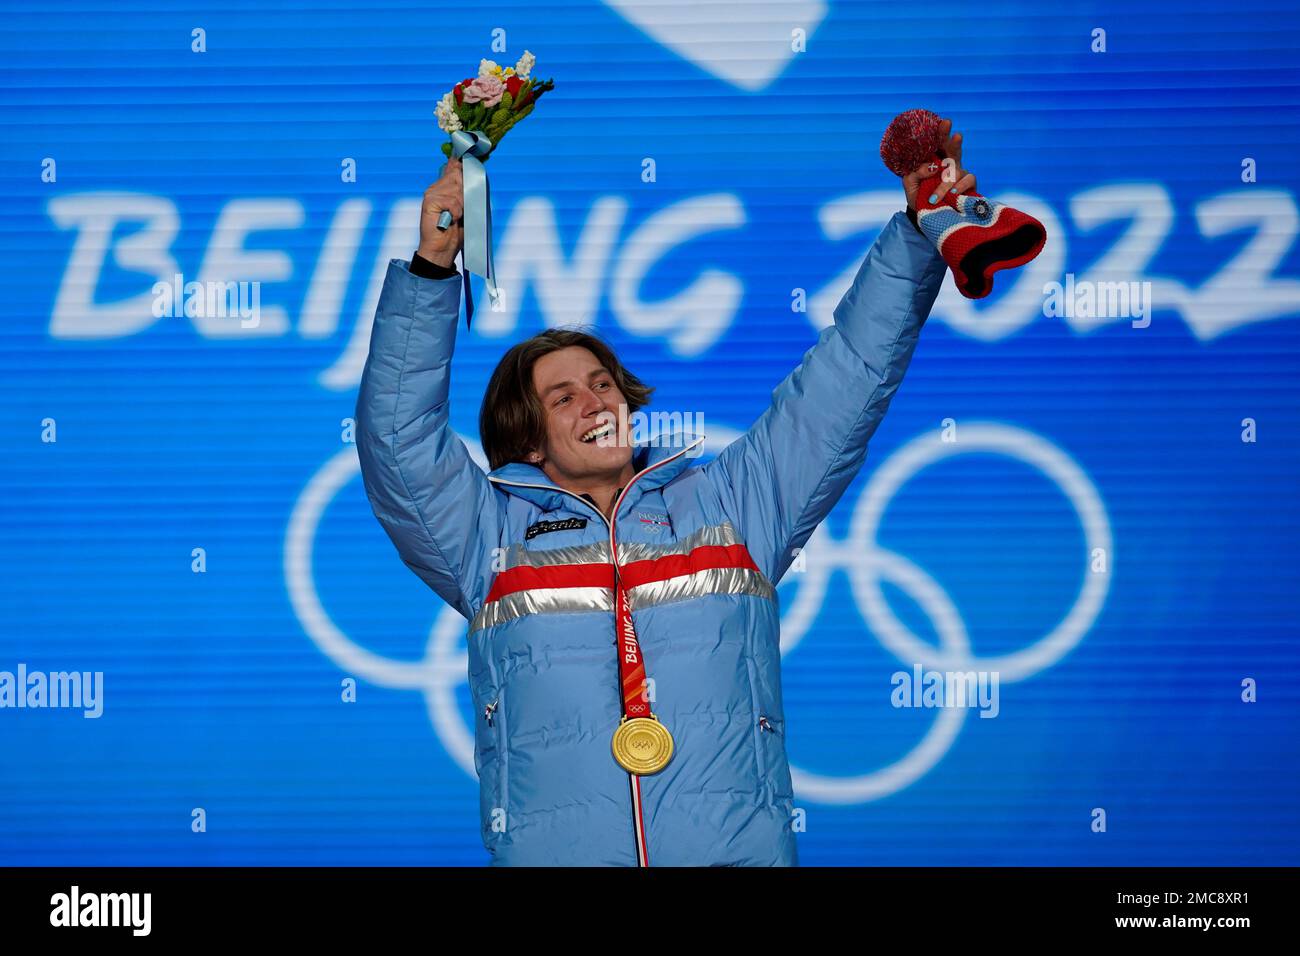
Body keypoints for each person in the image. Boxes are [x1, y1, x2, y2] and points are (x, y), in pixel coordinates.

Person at [355, 118, 973, 866]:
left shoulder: (733, 505)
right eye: (563, 398)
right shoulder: (484, 537)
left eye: (604, 384)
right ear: (524, 438)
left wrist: (916, 234)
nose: (595, 402)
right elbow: (396, 440)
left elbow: (845, 380)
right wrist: (431, 269)